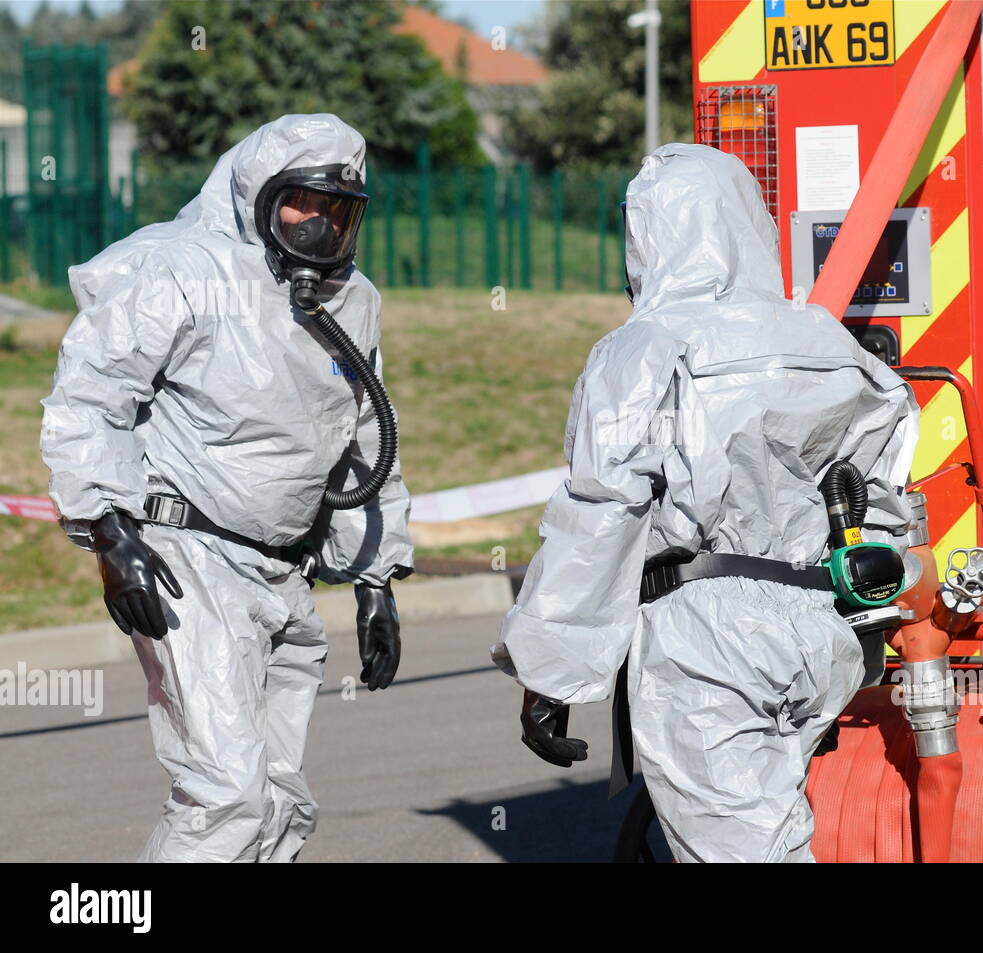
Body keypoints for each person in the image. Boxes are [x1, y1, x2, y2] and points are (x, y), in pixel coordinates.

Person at [492, 143, 919, 862]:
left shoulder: (646, 349)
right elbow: (883, 499)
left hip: (707, 641)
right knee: (769, 829)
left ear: (648, 240)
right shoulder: (830, 344)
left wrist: (549, 673)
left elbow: (601, 515)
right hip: (824, 633)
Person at [40, 114, 413, 862]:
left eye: (338, 209)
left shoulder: (353, 300)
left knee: (277, 797)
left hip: (283, 568)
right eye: (301, 202)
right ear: (258, 197)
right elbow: (89, 398)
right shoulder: (181, 269)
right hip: (188, 558)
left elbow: (366, 438)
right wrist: (110, 531)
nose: (319, 224)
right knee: (226, 794)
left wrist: (376, 575)